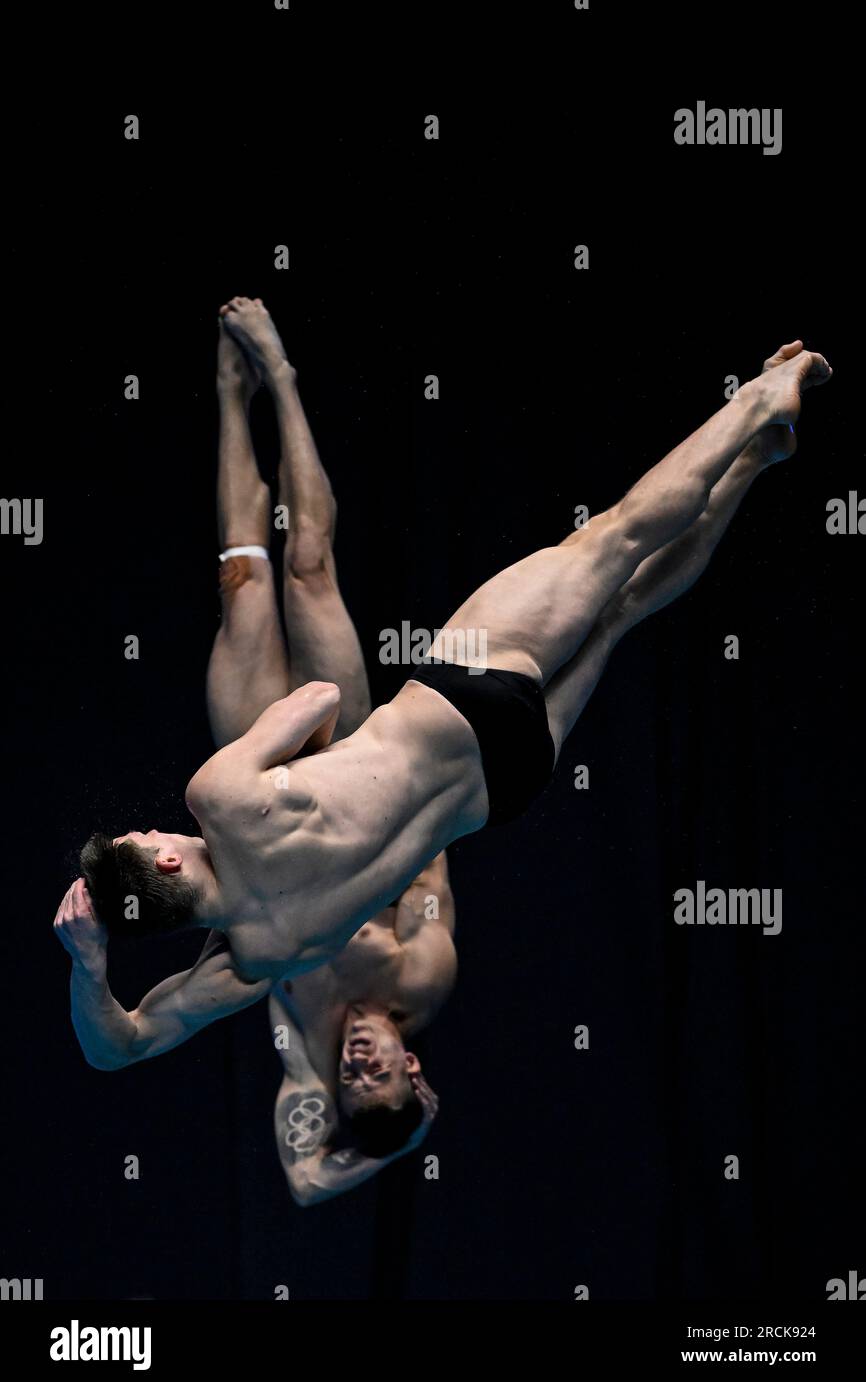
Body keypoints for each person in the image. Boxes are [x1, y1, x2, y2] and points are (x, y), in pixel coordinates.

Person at [57, 300, 831, 1083]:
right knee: (613, 537)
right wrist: (318, 767)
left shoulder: (259, 961)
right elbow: (320, 696)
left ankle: (752, 464)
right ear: (161, 862)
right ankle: (755, 403)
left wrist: (92, 967)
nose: (155, 829)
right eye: (144, 837)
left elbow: (120, 1047)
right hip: (461, 700)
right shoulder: (217, 796)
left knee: (624, 616)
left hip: (506, 785)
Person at [57, 308, 453, 1197]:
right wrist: (404, 1136)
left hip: (255, 773)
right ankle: (281, 375)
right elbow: (432, 834)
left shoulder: (288, 1025)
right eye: (379, 1076)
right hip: (336, 751)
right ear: (411, 1066)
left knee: (245, 587)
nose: (357, 1065)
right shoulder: (421, 968)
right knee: (310, 563)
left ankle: (232, 399)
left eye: (353, 1084)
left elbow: (300, 1177)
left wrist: (90, 966)